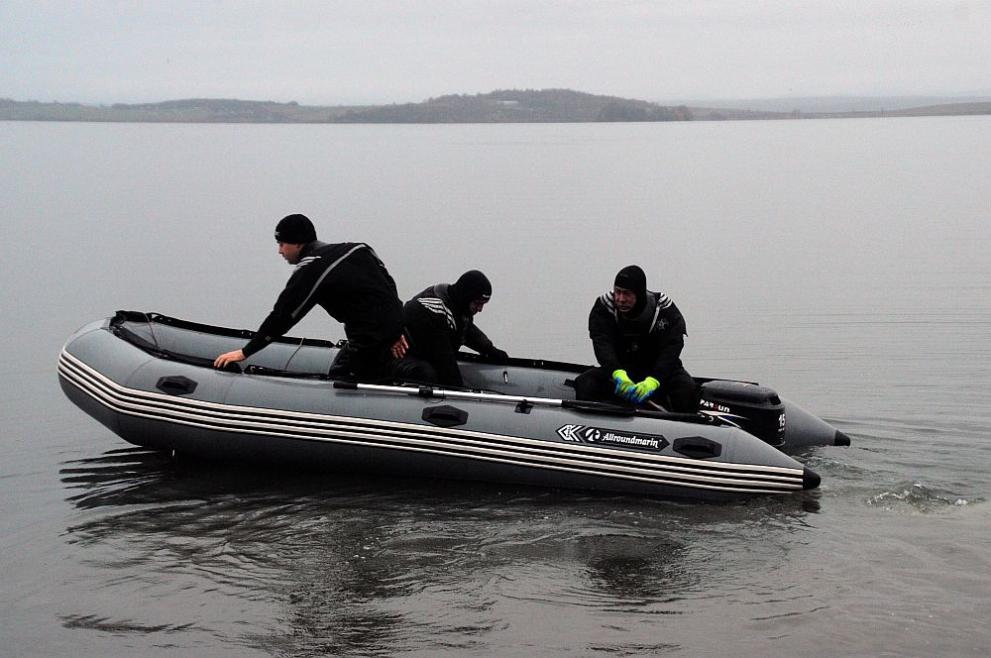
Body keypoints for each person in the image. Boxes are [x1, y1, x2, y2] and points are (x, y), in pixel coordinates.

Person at [213, 213, 405, 381]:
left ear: (297, 243)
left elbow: (283, 316)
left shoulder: (312, 267)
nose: (279, 251)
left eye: (282, 244)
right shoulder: (358, 249)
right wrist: (397, 329)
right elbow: (388, 286)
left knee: (339, 377)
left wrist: (245, 352)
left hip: (369, 340)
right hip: (391, 330)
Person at [573, 265, 698, 412]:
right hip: (622, 371)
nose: (620, 299)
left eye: (627, 294)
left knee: (687, 390)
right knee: (585, 383)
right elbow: (602, 344)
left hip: (658, 371)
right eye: (617, 292)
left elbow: (672, 349)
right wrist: (616, 372)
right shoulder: (604, 307)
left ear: (639, 294)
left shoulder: (663, 309)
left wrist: (654, 380)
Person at [395, 270, 509, 387]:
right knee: (427, 373)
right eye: (477, 303)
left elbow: (468, 332)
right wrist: (459, 391)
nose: (480, 309)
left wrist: (491, 351)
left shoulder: (458, 308)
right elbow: (443, 359)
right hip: (400, 358)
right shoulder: (433, 310)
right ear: (466, 297)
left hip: (425, 355)